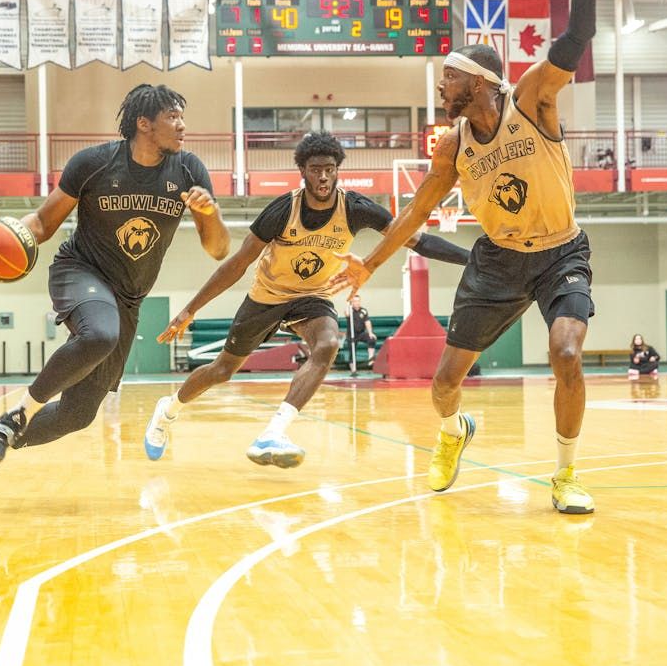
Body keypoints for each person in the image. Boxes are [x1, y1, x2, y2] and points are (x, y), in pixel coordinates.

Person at [329, 0, 600, 515]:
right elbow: (413, 214)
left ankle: (564, 474)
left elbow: (578, 36)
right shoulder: (452, 145)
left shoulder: (532, 99)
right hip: (499, 260)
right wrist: (370, 265)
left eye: (448, 76)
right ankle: (455, 434)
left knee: (567, 353)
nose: (440, 86)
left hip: (561, 251)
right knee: (444, 384)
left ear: (477, 82)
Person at [0, 83, 230, 500]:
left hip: (129, 297)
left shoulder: (189, 171)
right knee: (100, 333)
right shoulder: (94, 163)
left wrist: (211, 213)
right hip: (80, 271)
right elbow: (43, 223)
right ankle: (14, 417)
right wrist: (0, 234)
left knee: (77, 416)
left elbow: (218, 249)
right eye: (173, 117)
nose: (183, 125)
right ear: (144, 124)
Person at [142, 132, 468, 467]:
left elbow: (414, 239)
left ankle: (274, 432)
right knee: (223, 370)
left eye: (329, 168)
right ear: (303, 171)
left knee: (328, 343)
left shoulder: (355, 208)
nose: (323, 176)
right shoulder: (283, 209)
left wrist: (472, 259)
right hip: (268, 296)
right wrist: (189, 309)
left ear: (337, 169)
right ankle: (168, 411)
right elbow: (237, 263)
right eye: (315, 169)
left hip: (314, 296)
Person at [346, 293, 379, 368]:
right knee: (352, 353)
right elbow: (347, 314)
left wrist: (370, 333)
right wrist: (348, 304)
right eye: (354, 301)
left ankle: (370, 359)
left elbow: (367, 322)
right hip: (351, 335)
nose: (357, 303)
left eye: (358, 301)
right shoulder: (350, 310)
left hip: (361, 334)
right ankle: (353, 370)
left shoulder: (363, 311)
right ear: (352, 302)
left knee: (372, 339)